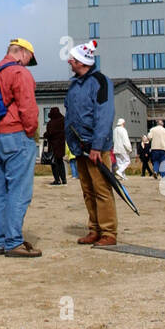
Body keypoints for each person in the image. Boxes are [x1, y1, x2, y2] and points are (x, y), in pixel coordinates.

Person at [0, 38, 41, 258]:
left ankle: (0, 241)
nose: (29, 63)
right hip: (16, 135)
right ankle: (13, 241)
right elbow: (28, 108)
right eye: (29, 58)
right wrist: (31, 131)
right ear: (21, 52)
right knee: (19, 190)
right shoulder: (20, 73)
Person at [64, 39, 117, 247]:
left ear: (82, 61)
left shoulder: (101, 82)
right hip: (78, 147)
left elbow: (104, 115)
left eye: (73, 59)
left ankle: (108, 232)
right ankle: (94, 229)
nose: (69, 61)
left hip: (96, 147)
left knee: (102, 190)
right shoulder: (74, 85)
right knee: (88, 190)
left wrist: (97, 145)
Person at [44, 106, 67, 185]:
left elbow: (49, 133)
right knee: (60, 162)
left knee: (54, 163)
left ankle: (57, 180)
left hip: (53, 146)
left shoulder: (51, 123)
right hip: (61, 145)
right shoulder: (63, 120)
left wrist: (45, 135)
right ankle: (64, 179)